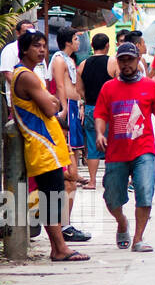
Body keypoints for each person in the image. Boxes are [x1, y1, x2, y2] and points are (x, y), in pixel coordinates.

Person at [94, 41, 155, 252]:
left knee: (145, 191)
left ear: (138, 59)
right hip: (116, 152)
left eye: (130, 59)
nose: (126, 64)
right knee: (112, 198)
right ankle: (122, 222)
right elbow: (101, 114)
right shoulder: (108, 87)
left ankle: (138, 238)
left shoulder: (151, 86)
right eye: (122, 60)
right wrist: (100, 133)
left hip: (143, 150)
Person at [11, 31, 86, 261]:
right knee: (52, 197)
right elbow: (51, 108)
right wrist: (50, 100)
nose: (42, 50)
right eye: (36, 46)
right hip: (42, 145)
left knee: (53, 196)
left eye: (44, 46)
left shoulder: (30, 75)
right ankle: (60, 249)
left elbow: (50, 101)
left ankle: (58, 247)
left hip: (47, 145)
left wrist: (49, 99)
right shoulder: (26, 76)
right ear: (24, 50)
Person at [48, 27, 88, 240]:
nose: (78, 42)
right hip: (66, 111)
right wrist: (63, 110)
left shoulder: (70, 60)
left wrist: (78, 105)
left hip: (73, 108)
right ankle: (64, 225)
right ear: (67, 41)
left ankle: (67, 223)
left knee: (72, 167)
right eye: (75, 39)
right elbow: (61, 87)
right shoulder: (59, 60)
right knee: (68, 170)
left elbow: (74, 86)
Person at [78, 32, 112, 190]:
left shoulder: (83, 64)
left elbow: (79, 89)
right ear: (107, 46)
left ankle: (92, 181)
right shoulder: (112, 62)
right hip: (110, 109)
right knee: (114, 144)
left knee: (92, 145)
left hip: (91, 108)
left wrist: (88, 99)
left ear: (92, 46)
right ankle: (114, 180)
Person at [1, 19, 37, 103]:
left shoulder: (38, 50)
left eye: (31, 32)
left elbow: (44, 76)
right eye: (25, 32)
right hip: (21, 100)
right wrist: (27, 92)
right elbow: (8, 74)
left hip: (39, 99)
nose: (29, 35)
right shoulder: (10, 49)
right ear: (17, 33)